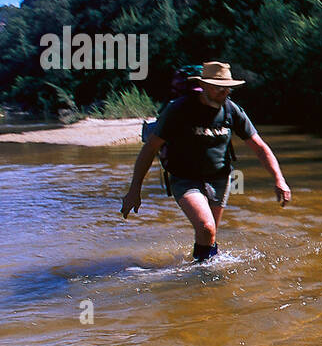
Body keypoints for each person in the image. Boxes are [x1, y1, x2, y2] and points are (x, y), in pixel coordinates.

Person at [120, 61, 290, 261]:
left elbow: (260, 147)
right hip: (184, 178)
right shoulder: (180, 110)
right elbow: (150, 148)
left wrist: (279, 179)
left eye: (228, 88)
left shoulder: (231, 110)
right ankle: (203, 275)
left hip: (220, 179)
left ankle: (202, 277)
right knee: (207, 228)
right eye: (219, 87)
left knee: (208, 236)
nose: (225, 92)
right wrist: (134, 190)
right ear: (204, 86)